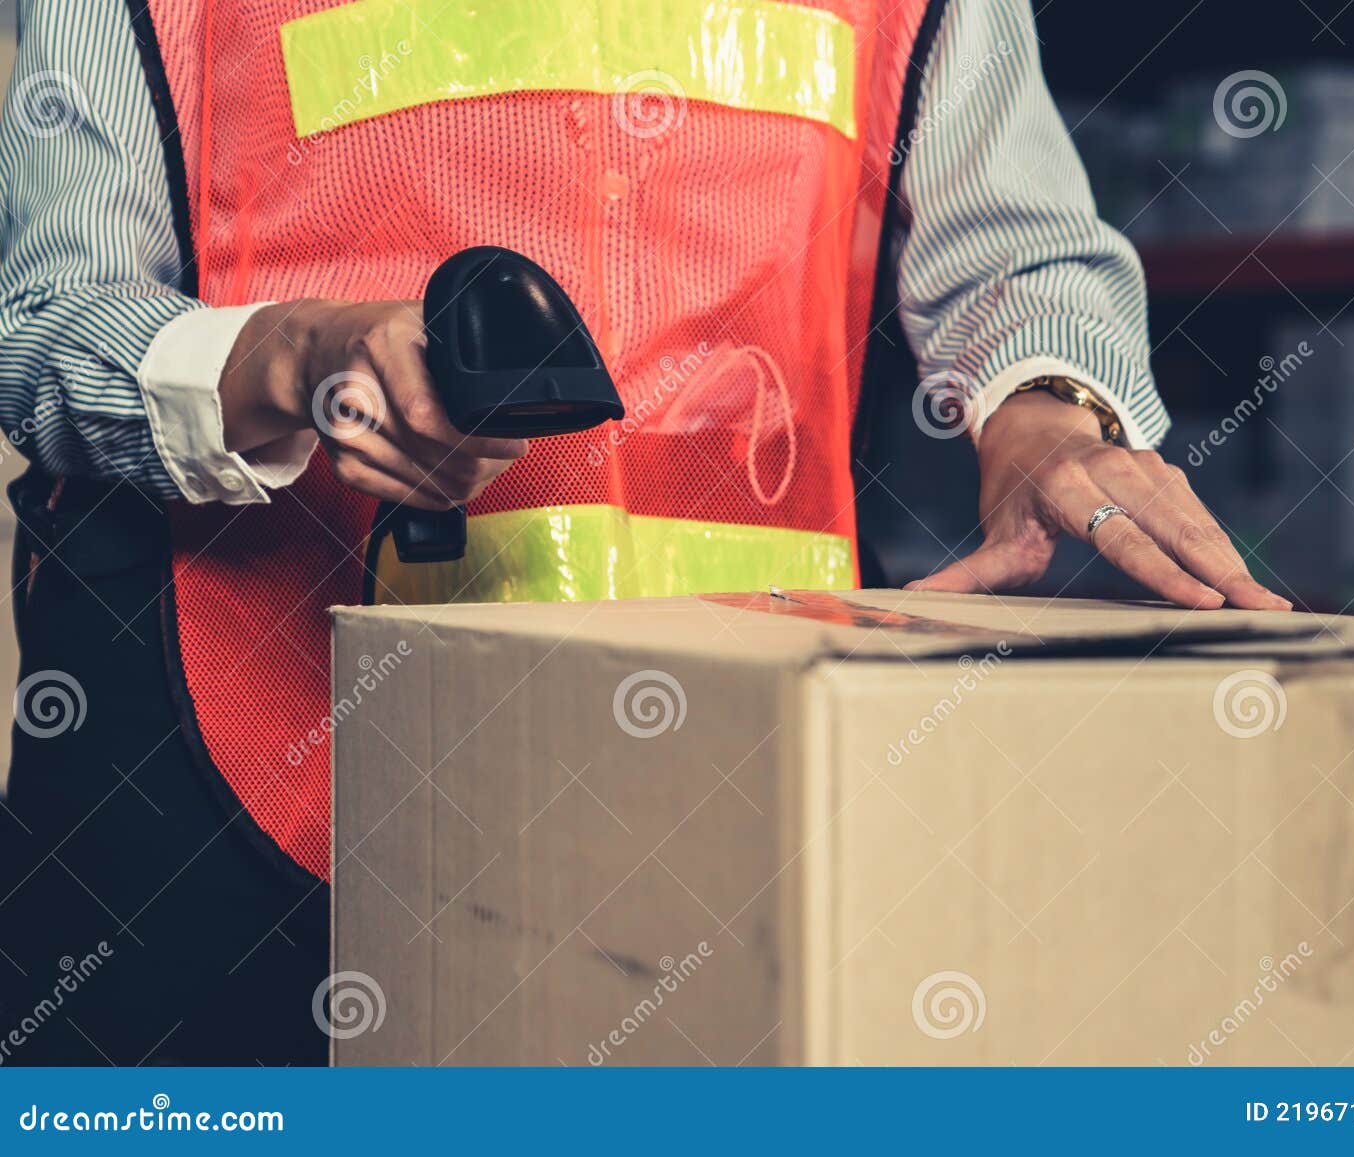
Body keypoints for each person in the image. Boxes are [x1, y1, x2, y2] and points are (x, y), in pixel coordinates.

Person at [0, 0, 1289, 1065]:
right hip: (224, 739)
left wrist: (1048, 414)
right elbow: (44, 318)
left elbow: (1015, 251)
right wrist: (295, 351)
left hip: (749, 744)